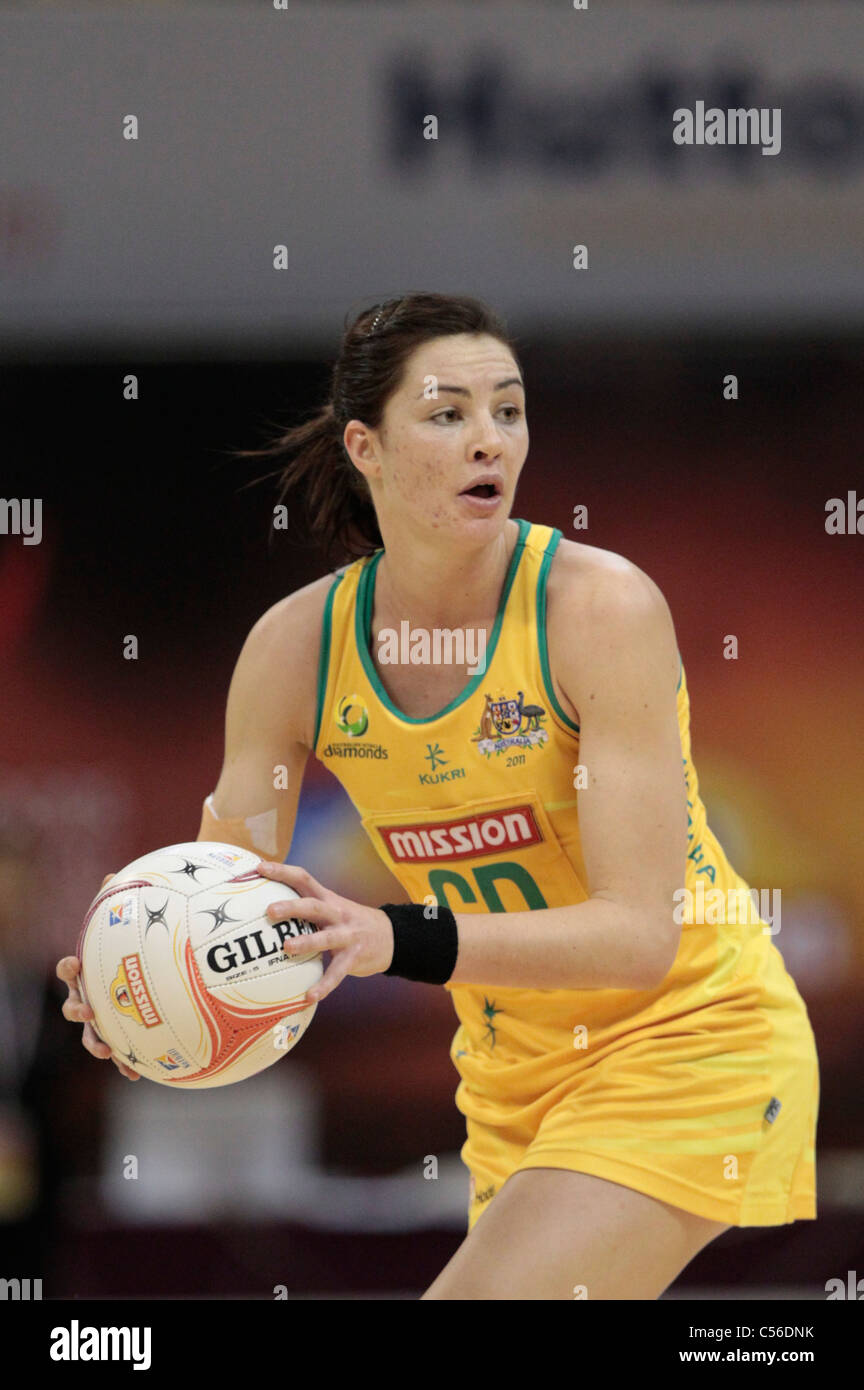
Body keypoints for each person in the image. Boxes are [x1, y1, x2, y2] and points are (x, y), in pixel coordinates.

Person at [57, 292, 819, 1300]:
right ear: (365, 447)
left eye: (508, 410)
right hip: (511, 1087)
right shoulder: (295, 650)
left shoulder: (598, 607)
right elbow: (229, 899)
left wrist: (389, 936)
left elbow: (640, 934)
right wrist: (139, 990)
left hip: (692, 1049)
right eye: (448, 413)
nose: (489, 441)